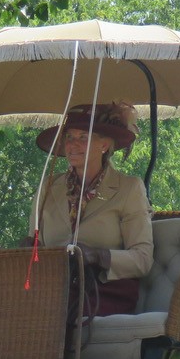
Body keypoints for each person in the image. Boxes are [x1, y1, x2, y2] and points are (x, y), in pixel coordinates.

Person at [34, 102, 153, 319]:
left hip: (103, 293)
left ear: (104, 145)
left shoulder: (128, 188)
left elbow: (142, 260)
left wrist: (98, 256)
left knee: (59, 315)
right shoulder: (49, 186)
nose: (73, 144)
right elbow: (35, 243)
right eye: (69, 137)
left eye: (83, 137)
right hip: (51, 288)